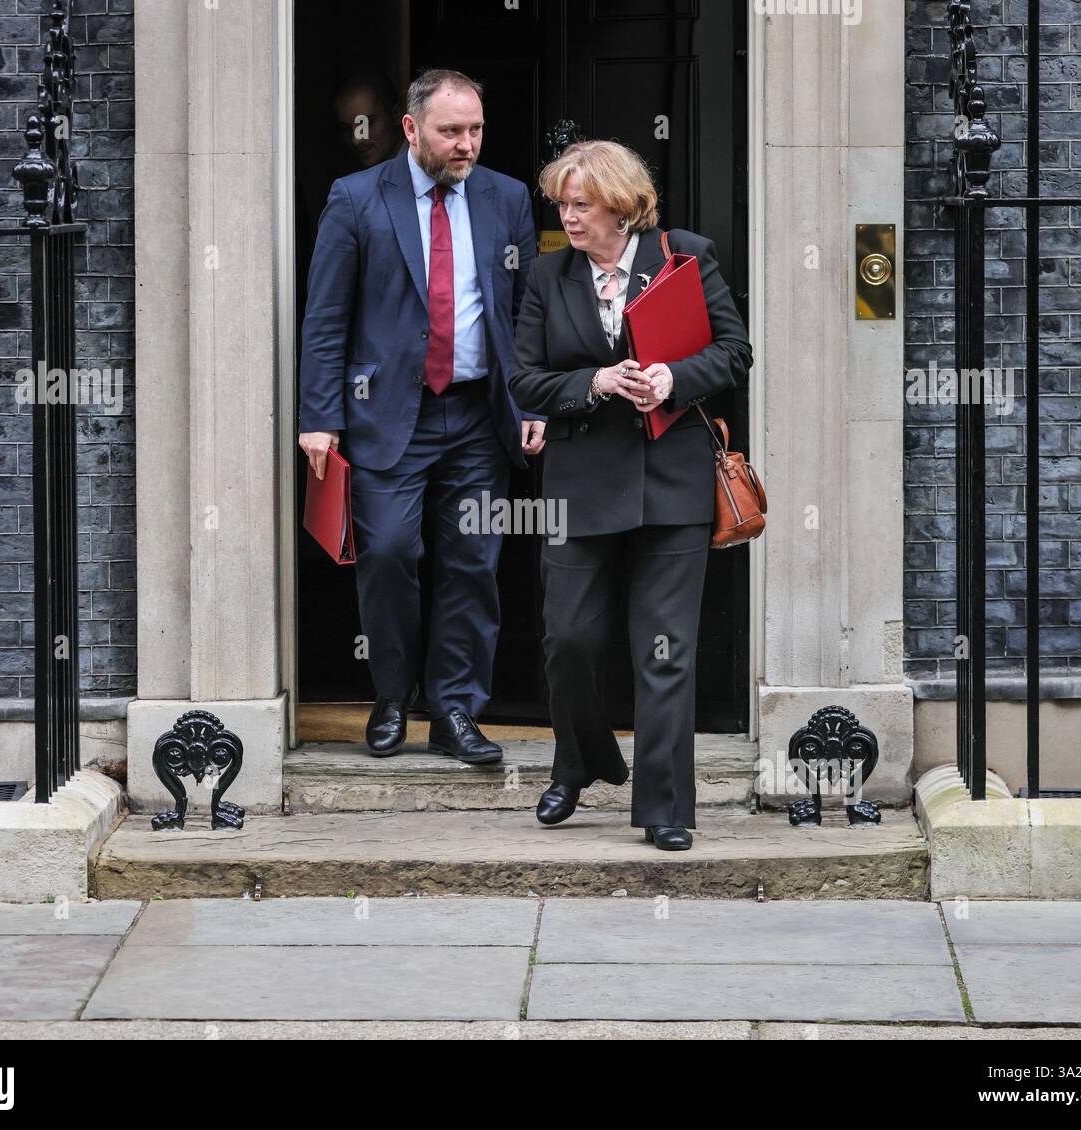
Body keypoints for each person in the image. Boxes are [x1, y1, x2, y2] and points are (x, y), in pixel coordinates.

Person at [509, 140, 753, 849]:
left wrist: (672, 379)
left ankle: (666, 808)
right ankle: (580, 762)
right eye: (562, 203)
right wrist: (594, 382)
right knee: (571, 640)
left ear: (621, 204)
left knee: (666, 649)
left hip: (671, 480)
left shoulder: (685, 257)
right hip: (580, 482)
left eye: (580, 204)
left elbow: (733, 351)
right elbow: (525, 378)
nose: (567, 216)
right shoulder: (548, 276)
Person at [299, 69, 543, 763]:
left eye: (475, 130)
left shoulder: (508, 198)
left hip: (476, 416)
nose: (466, 144)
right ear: (411, 130)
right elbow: (326, 317)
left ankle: (457, 712)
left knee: (473, 564)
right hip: (385, 417)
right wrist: (320, 415)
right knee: (387, 554)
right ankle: (391, 698)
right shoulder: (356, 199)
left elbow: (525, 311)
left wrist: (528, 399)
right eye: (450, 131)